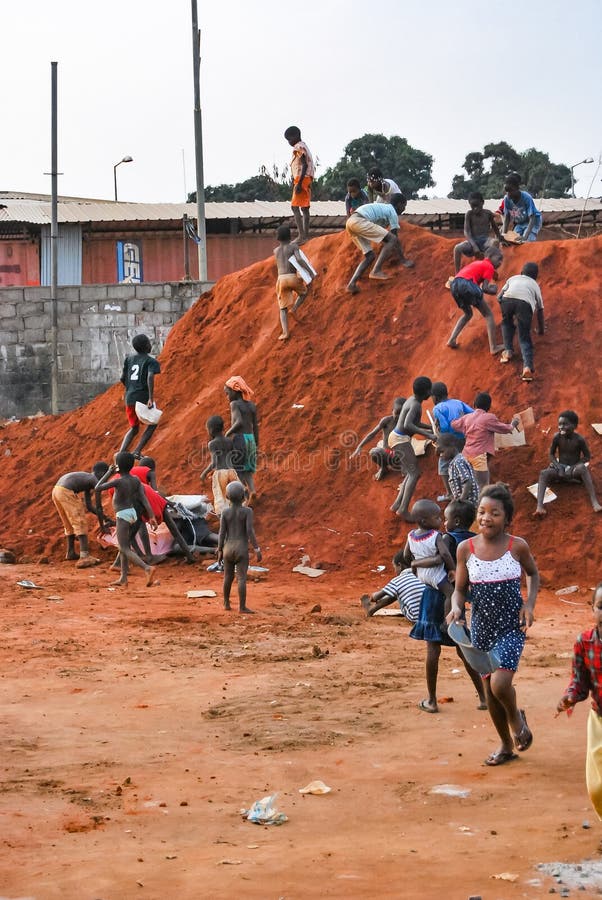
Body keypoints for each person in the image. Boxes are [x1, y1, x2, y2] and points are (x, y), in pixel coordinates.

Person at [448, 483, 539, 766]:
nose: (487, 518)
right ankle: (505, 745)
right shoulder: (466, 548)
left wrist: (529, 604)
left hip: (511, 626)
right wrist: (455, 608)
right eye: (482, 512)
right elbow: (460, 589)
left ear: (507, 518)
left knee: (500, 684)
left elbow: (534, 575)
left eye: (495, 513)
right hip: (481, 629)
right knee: (489, 691)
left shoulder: (517, 546)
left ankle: (515, 718)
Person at [409, 498, 486, 714]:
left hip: (435, 594)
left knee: (433, 648)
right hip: (460, 597)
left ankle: (432, 700)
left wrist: (415, 563)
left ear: (455, 520)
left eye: (446, 519)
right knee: (463, 648)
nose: (443, 522)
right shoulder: (476, 540)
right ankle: (483, 697)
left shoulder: (445, 538)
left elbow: (438, 559)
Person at [556, 583, 602, 819]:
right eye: (601, 607)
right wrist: (570, 697)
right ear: (592, 608)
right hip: (599, 720)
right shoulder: (584, 642)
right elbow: (579, 681)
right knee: (597, 787)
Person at [95, 451, 157, 587]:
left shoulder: (118, 481)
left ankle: (147, 568)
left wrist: (108, 473)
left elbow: (97, 487)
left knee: (123, 548)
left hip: (122, 515)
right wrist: (151, 516)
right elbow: (143, 498)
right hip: (133, 513)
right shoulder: (135, 480)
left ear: (117, 466)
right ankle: (123, 578)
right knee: (125, 544)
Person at [534, 410, 602, 516]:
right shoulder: (557, 437)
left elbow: (587, 457)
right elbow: (551, 454)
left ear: (574, 425)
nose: (561, 427)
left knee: (583, 469)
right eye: (559, 424)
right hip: (560, 469)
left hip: (573, 470)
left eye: (565, 424)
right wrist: (558, 466)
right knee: (544, 473)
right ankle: (539, 507)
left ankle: (594, 502)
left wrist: (573, 467)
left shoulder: (579, 440)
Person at [345, 194, 413, 294]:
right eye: (404, 206)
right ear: (399, 204)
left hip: (350, 222)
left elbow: (383, 236)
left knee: (370, 256)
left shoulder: (383, 208)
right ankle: (376, 270)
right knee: (392, 239)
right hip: (359, 221)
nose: (404, 209)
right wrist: (403, 260)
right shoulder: (392, 211)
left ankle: (351, 284)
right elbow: (394, 238)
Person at [452, 392, 520, 490]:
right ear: (489, 407)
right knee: (483, 486)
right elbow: (506, 429)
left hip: (466, 455)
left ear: (474, 404)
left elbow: (454, 425)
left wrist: (461, 417)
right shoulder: (489, 418)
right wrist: (513, 424)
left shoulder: (467, 418)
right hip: (479, 457)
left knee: (469, 485)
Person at [389, 377, 435, 520]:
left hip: (398, 438)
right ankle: (403, 510)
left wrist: (430, 427)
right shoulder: (415, 405)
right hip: (400, 439)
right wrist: (428, 434)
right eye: (430, 389)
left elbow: (414, 422)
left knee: (411, 473)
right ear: (426, 392)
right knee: (414, 474)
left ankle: (397, 505)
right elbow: (408, 425)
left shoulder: (412, 400)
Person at [51, 463, 110, 567]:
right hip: (65, 491)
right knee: (80, 521)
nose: (106, 480)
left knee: (68, 523)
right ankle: (84, 556)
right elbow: (99, 505)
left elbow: (89, 506)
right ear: (102, 473)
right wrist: (102, 526)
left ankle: (70, 552)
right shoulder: (94, 480)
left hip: (56, 491)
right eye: (106, 476)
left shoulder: (88, 478)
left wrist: (106, 518)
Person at [447, 247, 505, 354]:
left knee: (468, 314)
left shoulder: (478, 263)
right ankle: (494, 347)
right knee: (488, 315)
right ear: (490, 257)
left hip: (455, 284)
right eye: (499, 259)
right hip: (466, 284)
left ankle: (452, 339)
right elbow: (485, 288)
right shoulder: (489, 266)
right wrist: (494, 289)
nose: (500, 262)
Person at [404, 499, 456, 613]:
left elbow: (406, 554)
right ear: (424, 522)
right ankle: (446, 623)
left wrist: (415, 565)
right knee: (451, 594)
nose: (440, 520)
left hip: (421, 574)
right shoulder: (435, 535)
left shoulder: (410, 535)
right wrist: (453, 569)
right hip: (436, 575)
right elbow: (445, 554)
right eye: (437, 518)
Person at [218, 481, 261, 613]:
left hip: (227, 548)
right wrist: (256, 548)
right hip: (241, 548)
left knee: (227, 576)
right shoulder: (247, 511)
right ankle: (242, 607)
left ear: (227, 497)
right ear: (244, 497)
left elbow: (222, 533)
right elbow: (249, 531)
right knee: (241, 577)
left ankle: (226, 603)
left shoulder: (225, 512)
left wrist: (219, 549)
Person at [498, 262, 545, 382]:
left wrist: (506, 311)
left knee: (506, 323)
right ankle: (527, 367)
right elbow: (540, 309)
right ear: (535, 276)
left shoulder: (513, 278)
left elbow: (499, 296)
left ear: (521, 272)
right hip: (524, 304)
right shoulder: (534, 284)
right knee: (524, 336)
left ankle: (508, 350)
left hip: (507, 299)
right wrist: (541, 329)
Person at [119, 334, 161, 457]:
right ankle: (137, 450)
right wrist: (150, 398)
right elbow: (150, 376)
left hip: (129, 398)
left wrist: (129, 390)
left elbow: (122, 378)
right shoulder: (151, 361)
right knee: (153, 423)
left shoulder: (129, 359)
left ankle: (121, 453)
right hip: (142, 397)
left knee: (134, 428)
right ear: (147, 345)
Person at [430, 381, 473, 500]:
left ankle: (450, 493)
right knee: (464, 461)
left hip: (448, 441)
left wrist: (437, 428)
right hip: (463, 438)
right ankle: (469, 488)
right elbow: (472, 413)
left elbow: (444, 427)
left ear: (435, 397)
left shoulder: (437, 408)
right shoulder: (458, 402)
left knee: (443, 465)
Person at [273, 224, 314, 341]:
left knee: (282, 308)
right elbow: (299, 260)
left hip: (281, 279)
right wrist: (310, 271)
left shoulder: (275, 251)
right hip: (292, 277)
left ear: (278, 238)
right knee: (304, 293)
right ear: (290, 236)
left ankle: (285, 332)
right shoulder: (293, 247)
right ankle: (295, 308)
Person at [350, 397, 405, 480]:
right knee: (374, 452)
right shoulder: (386, 421)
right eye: (397, 413)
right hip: (387, 452)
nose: (398, 416)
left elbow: (419, 427)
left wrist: (430, 431)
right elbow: (372, 434)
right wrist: (359, 446)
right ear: (392, 410)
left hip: (401, 456)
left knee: (407, 471)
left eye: (402, 413)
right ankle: (383, 468)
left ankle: (403, 468)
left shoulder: (406, 423)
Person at [360, 549, 424, 620]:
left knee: (396, 592)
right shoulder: (422, 575)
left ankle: (371, 609)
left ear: (400, 565)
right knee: (399, 590)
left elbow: (376, 597)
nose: (395, 571)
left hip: (415, 617)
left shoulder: (398, 580)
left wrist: (372, 597)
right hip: (433, 617)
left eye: (394, 567)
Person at [224, 377, 259, 501]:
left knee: (237, 467)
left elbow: (238, 422)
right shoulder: (252, 406)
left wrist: (227, 434)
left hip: (240, 439)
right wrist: (257, 444)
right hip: (250, 439)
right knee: (248, 469)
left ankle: (243, 489)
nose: (227, 397)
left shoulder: (234, 404)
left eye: (227, 393)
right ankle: (253, 490)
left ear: (235, 391)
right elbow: (255, 426)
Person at [452, 192, 503, 273]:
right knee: (457, 248)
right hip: (472, 241)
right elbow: (467, 232)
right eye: (473, 206)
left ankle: (491, 268)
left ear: (482, 202)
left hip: (485, 241)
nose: (475, 208)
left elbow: (494, 227)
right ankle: (457, 273)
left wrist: (500, 237)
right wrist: (474, 246)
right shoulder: (469, 214)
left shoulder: (487, 213)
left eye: (477, 205)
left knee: (495, 242)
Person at [200, 415, 240, 515]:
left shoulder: (212, 444)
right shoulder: (229, 441)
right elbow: (235, 456)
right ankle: (239, 513)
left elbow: (214, 463)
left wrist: (204, 473)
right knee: (235, 495)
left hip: (220, 474)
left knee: (221, 499)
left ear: (211, 430)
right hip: (232, 471)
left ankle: (224, 518)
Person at [284, 125, 314, 242]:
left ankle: (302, 236)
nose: (289, 142)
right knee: (305, 208)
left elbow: (304, 165)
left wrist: (300, 183)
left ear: (295, 136)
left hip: (302, 179)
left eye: (289, 139)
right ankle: (305, 235)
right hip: (306, 178)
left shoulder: (298, 147)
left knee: (294, 207)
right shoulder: (304, 146)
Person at [436, 433, 480, 508]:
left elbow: (467, 481)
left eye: (442, 451)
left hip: (469, 502)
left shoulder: (458, 462)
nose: (441, 455)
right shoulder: (457, 460)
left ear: (452, 447)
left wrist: (461, 501)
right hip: (466, 501)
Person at [502, 175, 543, 242]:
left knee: (526, 242)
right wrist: (504, 235)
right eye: (507, 191)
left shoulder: (526, 198)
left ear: (517, 188)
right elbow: (507, 217)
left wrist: (525, 237)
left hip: (533, 221)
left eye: (511, 191)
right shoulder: (506, 200)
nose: (508, 194)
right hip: (520, 223)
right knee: (513, 240)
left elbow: (532, 218)